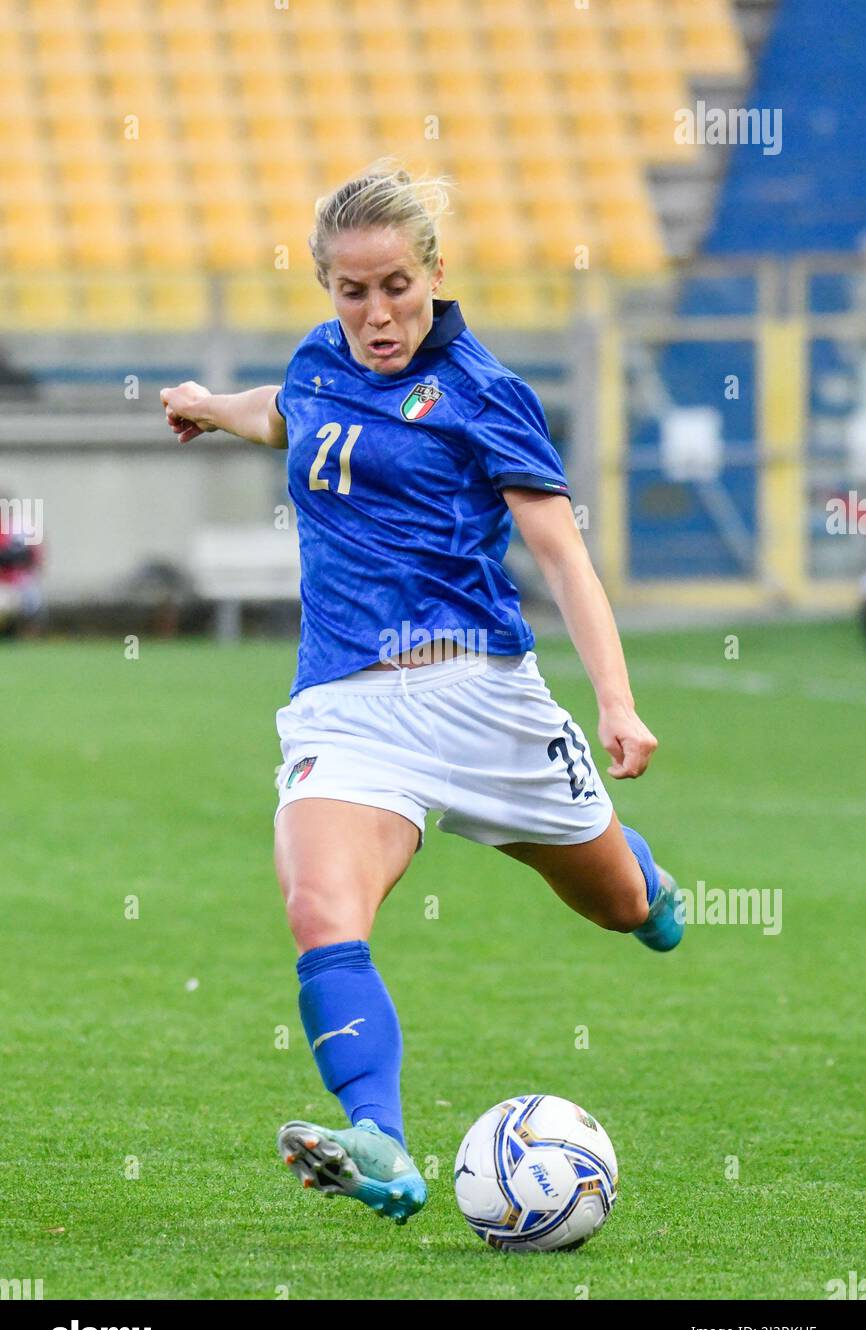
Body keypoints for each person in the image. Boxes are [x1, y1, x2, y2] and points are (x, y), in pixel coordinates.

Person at [160, 161, 684, 1229]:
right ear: (326, 290)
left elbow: (561, 555)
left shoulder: (487, 395)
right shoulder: (321, 360)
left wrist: (615, 701)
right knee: (319, 908)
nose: (375, 312)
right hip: (347, 708)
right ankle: (381, 1143)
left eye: (394, 285)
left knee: (621, 907)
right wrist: (215, 407)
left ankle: (642, 877)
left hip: (484, 700)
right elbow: (294, 413)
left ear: (433, 272)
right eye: (350, 292)